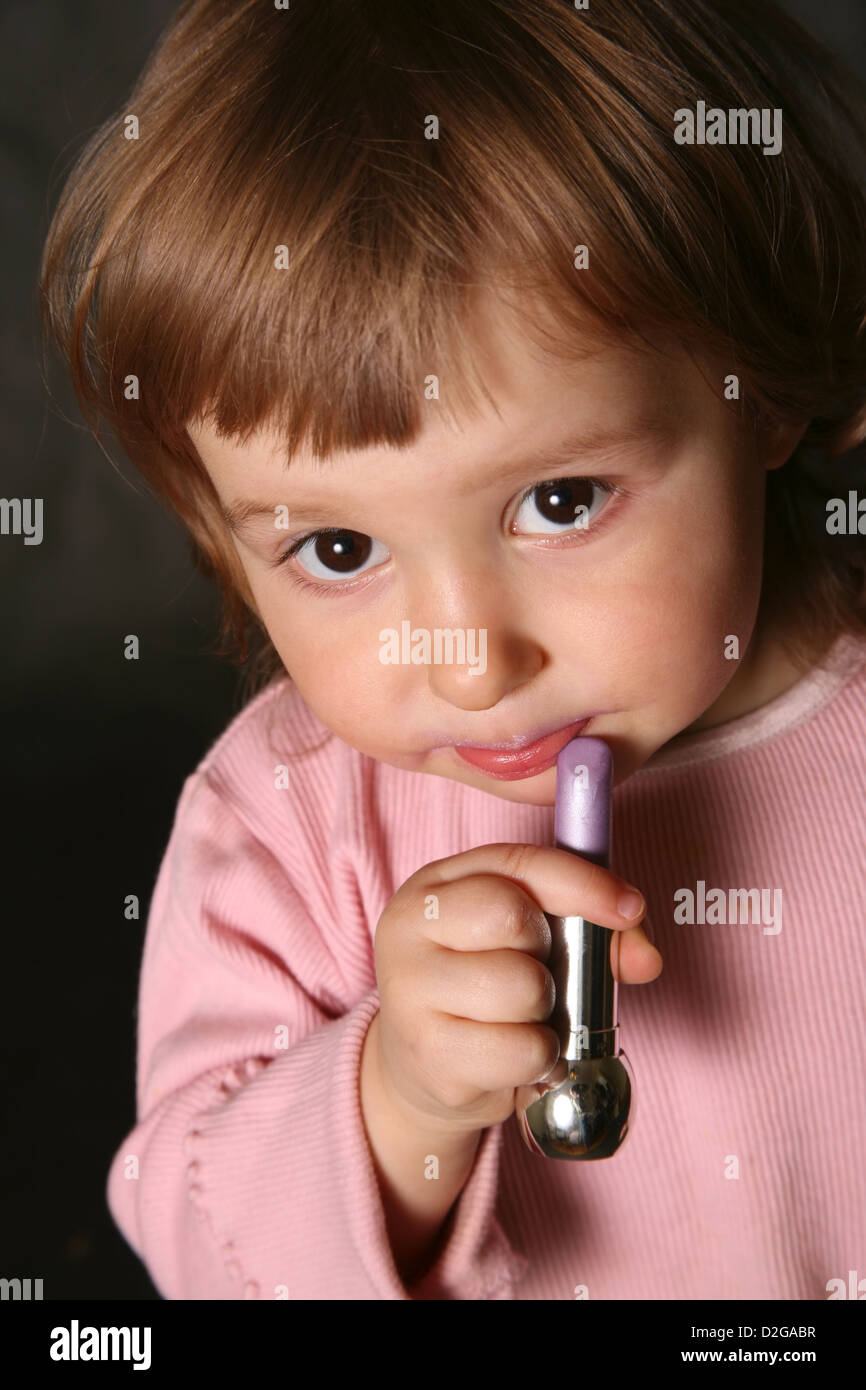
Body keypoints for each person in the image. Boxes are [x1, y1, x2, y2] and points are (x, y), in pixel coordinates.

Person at [39, 0, 866, 1299]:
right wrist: (400, 1094)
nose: (469, 662)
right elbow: (207, 1259)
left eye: (559, 501)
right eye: (339, 550)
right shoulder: (287, 821)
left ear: (761, 389)